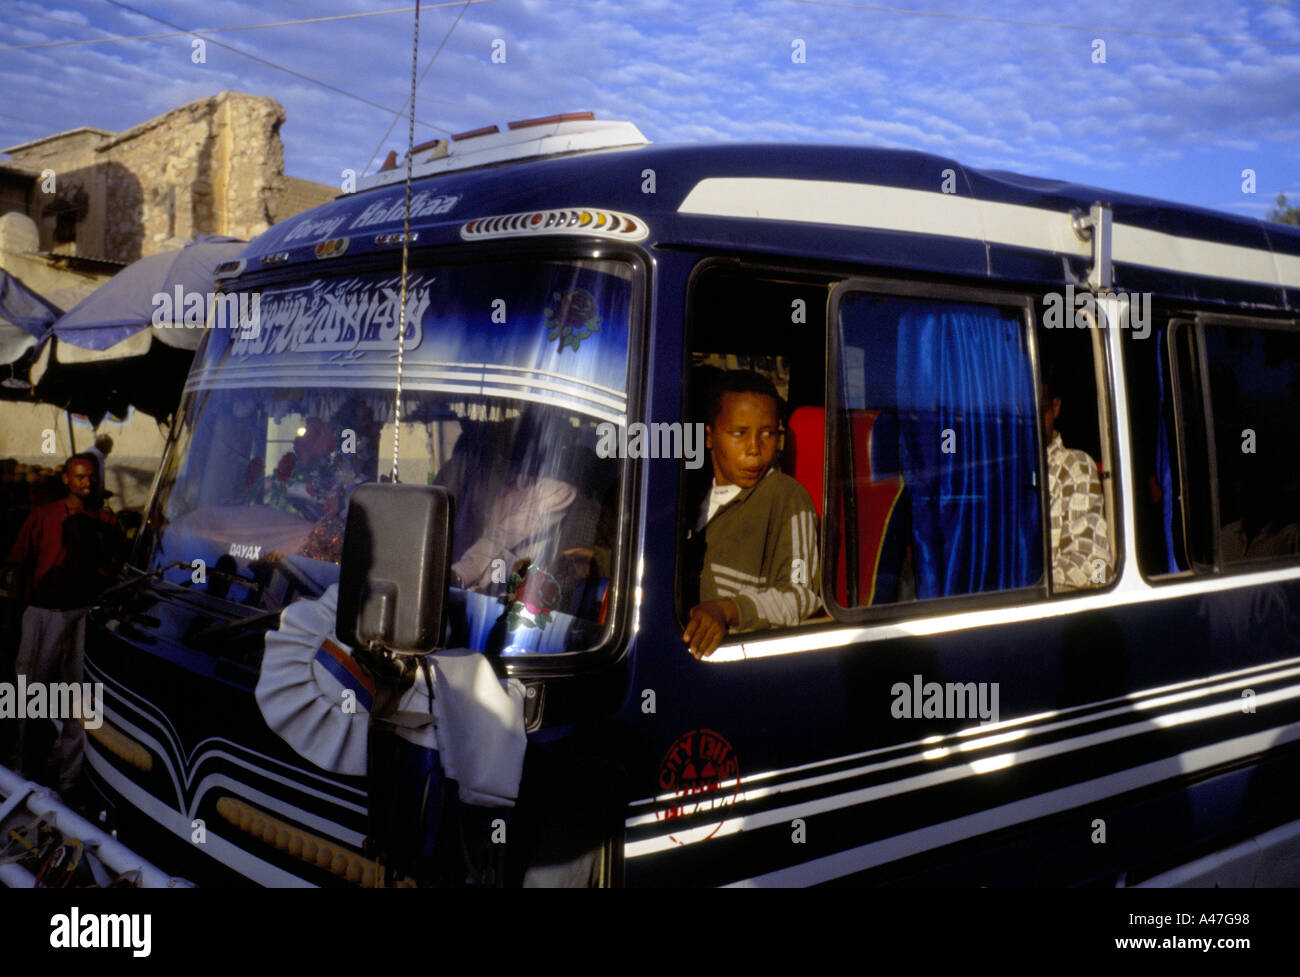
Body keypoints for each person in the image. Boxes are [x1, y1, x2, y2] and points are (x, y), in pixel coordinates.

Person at [683, 371, 821, 659]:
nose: (755, 450)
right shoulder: (687, 495)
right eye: (739, 433)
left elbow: (800, 596)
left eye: (768, 433)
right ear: (710, 437)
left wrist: (726, 610)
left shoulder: (785, 497)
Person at [6, 453, 119, 797]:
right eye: (80, 477)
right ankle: (20, 771)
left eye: (92, 477)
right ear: (67, 479)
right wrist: (13, 617)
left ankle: (70, 780)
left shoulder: (106, 520)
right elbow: (20, 567)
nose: (87, 483)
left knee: (79, 700)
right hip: (43, 614)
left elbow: (112, 569)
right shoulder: (44, 515)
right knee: (29, 695)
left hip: (83, 615)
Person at [1043, 374, 1114, 590]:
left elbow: (1095, 566)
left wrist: (1023, 586)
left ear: (1055, 408)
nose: (1029, 421)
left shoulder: (1074, 467)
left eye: (1039, 410)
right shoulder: (989, 469)